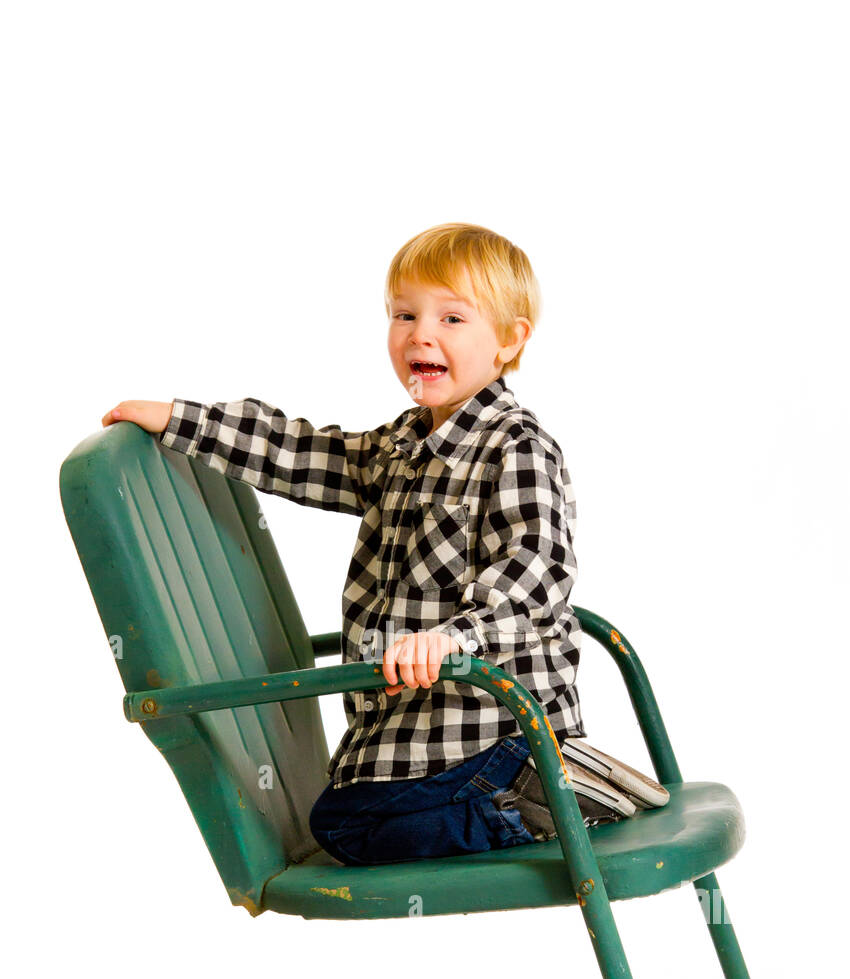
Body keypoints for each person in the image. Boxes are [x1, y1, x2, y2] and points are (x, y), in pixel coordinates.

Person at [101, 221, 605, 867]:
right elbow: (307, 453)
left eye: (452, 318)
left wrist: (456, 637)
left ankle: (533, 808)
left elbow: (537, 572)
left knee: (347, 826)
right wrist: (183, 420)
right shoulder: (401, 445)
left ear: (510, 341)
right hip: (416, 733)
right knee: (347, 805)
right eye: (404, 315)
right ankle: (520, 802)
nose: (421, 334)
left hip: (495, 733)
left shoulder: (515, 446)